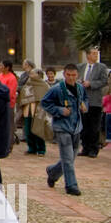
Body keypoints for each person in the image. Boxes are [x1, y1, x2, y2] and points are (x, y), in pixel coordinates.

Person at [42, 64, 87, 196]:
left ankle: (53, 172)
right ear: (64, 74)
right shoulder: (56, 89)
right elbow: (45, 102)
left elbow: (85, 100)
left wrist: (85, 106)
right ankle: (71, 185)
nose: (71, 78)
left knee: (71, 158)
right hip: (62, 127)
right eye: (68, 75)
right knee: (67, 158)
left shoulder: (80, 88)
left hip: (76, 126)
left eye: (74, 75)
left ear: (77, 75)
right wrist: (60, 110)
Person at [78, 48, 109, 158]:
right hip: (82, 101)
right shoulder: (80, 67)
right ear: (88, 55)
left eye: (97, 53)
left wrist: (91, 83)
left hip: (95, 101)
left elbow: (104, 81)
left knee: (94, 126)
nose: (96, 55)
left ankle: (93, 149)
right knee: (84, 125)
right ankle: (85, 148)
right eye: (94, 53)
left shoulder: (101, 67)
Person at [17, 61, 48, 157]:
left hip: (39, 110)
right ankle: (31, 148)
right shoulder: (28, 84)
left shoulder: (44, 85)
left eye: (33, 73)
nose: (31, 75)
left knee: (38, 130)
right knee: (28, 129)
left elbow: (45, 97)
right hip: (28, 109)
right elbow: (23, 94)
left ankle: (41, 149)